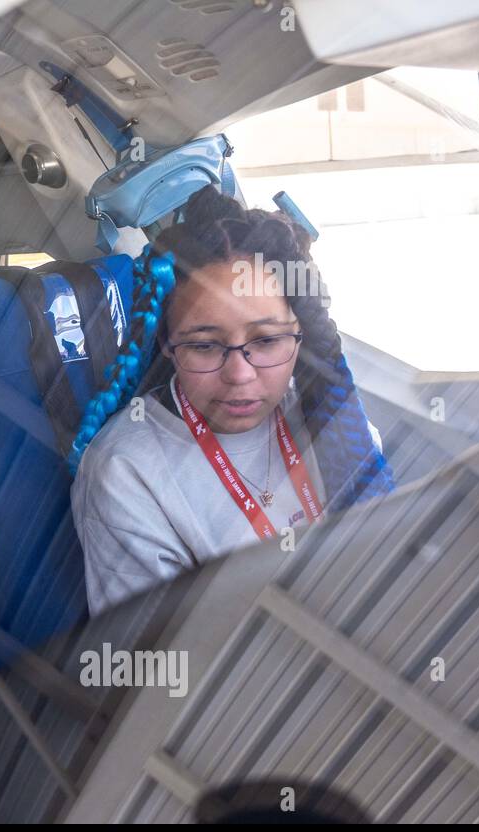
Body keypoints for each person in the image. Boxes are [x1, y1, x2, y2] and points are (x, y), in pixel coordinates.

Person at [69, 185, 395, 616]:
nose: (240, 375)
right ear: (167, 343)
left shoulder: (328, 414)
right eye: (205, 346)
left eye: (267, 341)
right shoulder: (125, 472)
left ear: (303, 337)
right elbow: (158, 666)